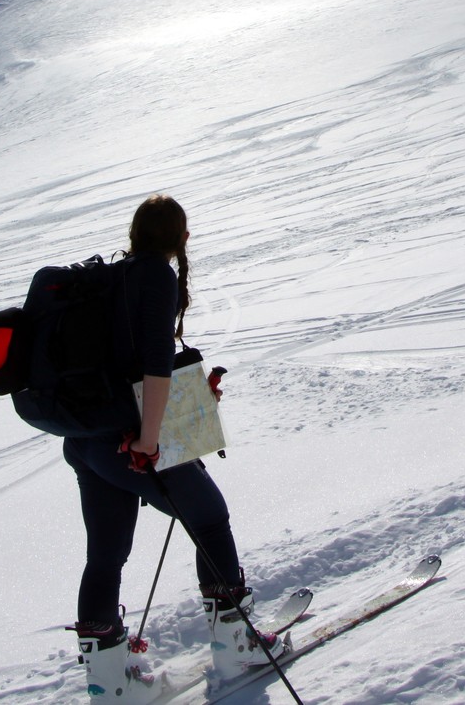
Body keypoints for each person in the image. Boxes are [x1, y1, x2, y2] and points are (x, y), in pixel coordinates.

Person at [66, 194, 285, 701]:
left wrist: (187, 399)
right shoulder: (157, 277)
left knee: (105, 555)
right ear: (180, 238)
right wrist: (147, 439)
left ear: (134, 234)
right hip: (130, 442)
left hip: (86, 442)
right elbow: (154, 364)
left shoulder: (110, 278)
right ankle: (237, 647)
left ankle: (109, 684)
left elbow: (124, 361)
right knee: (209, 519)